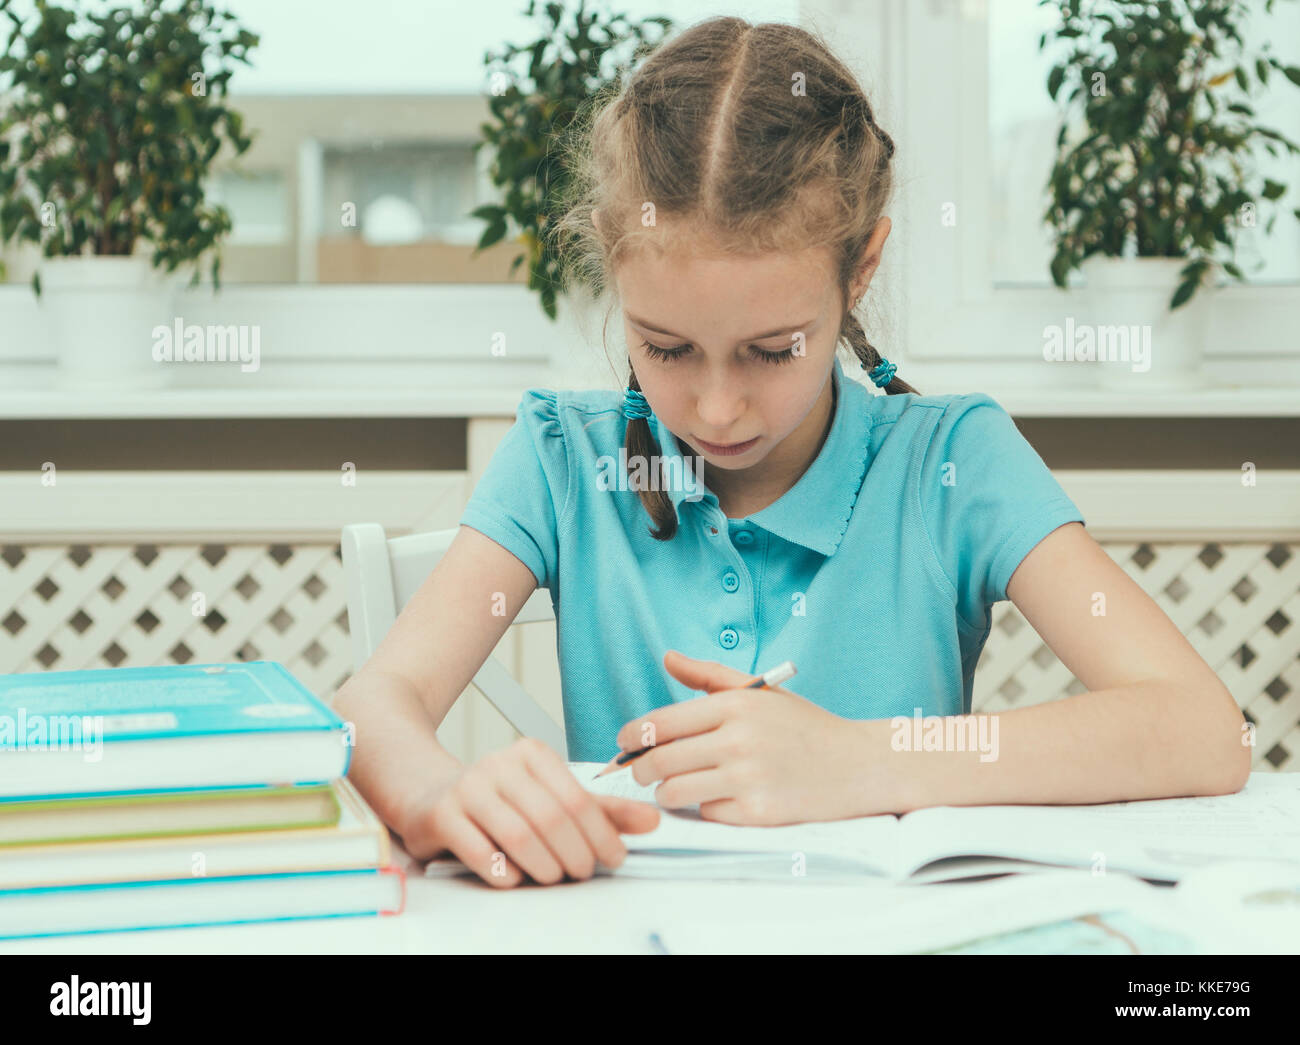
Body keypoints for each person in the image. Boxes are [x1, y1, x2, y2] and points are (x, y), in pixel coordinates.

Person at [333, 17, 1249, 890]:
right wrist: (440, 793)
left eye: (773, 351)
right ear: (613, 268)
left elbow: (1203, 729)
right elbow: (376, 702)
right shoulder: (562, 459)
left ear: (861, 271)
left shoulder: (951, 460)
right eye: (665, 347)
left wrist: (859, 759)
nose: (719, 407)